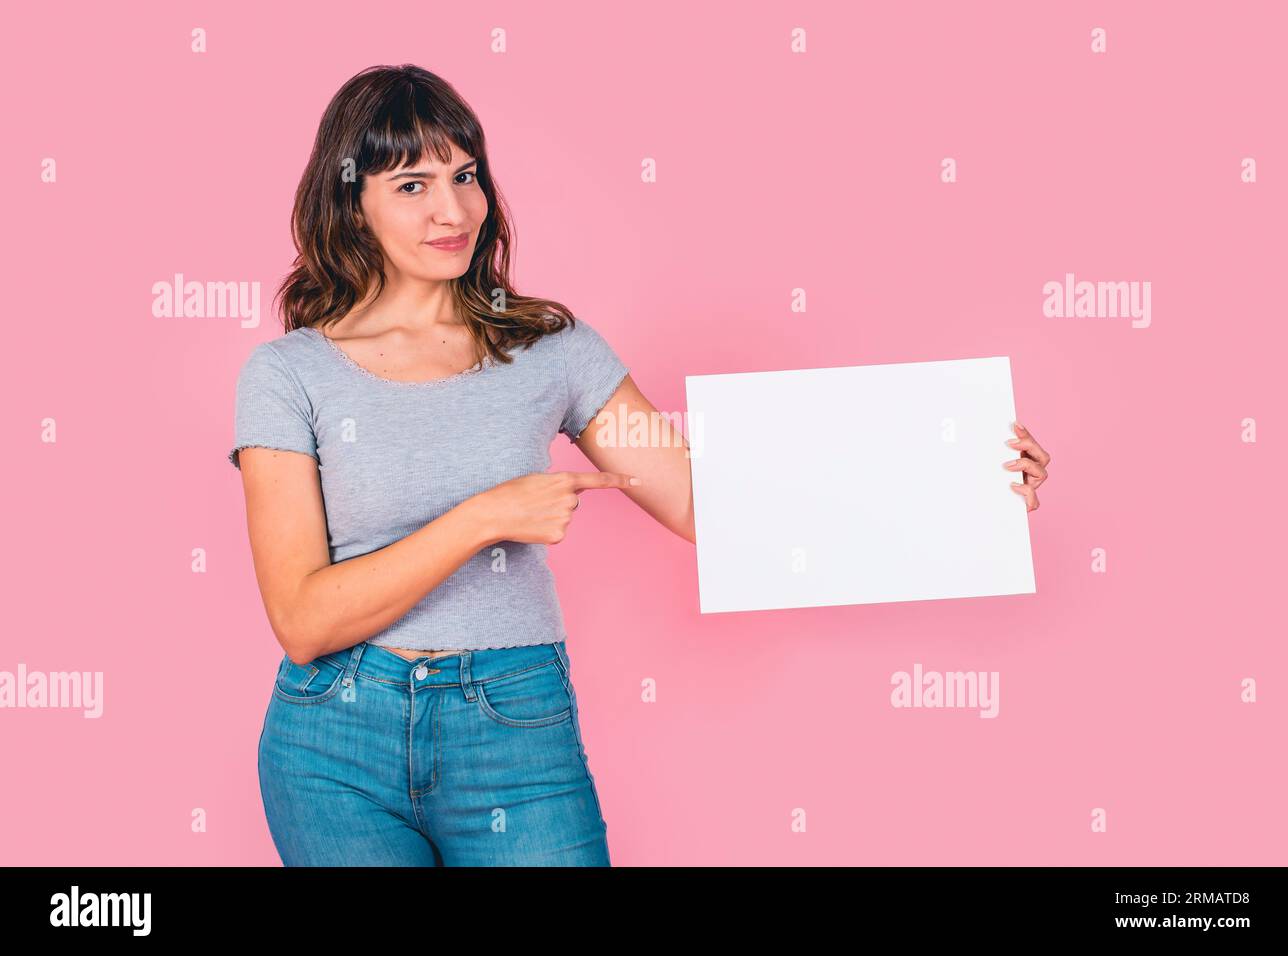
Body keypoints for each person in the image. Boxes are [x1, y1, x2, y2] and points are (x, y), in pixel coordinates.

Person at [229, 64, 1052, 867]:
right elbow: (304, 619)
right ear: (352, 201)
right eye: (411, 184)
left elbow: (705, 503)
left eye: (466, 175)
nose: (453, 209)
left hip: (514, 721)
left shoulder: (551, 351)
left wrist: (963, 482)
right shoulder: (289, 375)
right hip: (332, 739)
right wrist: (487, 517)